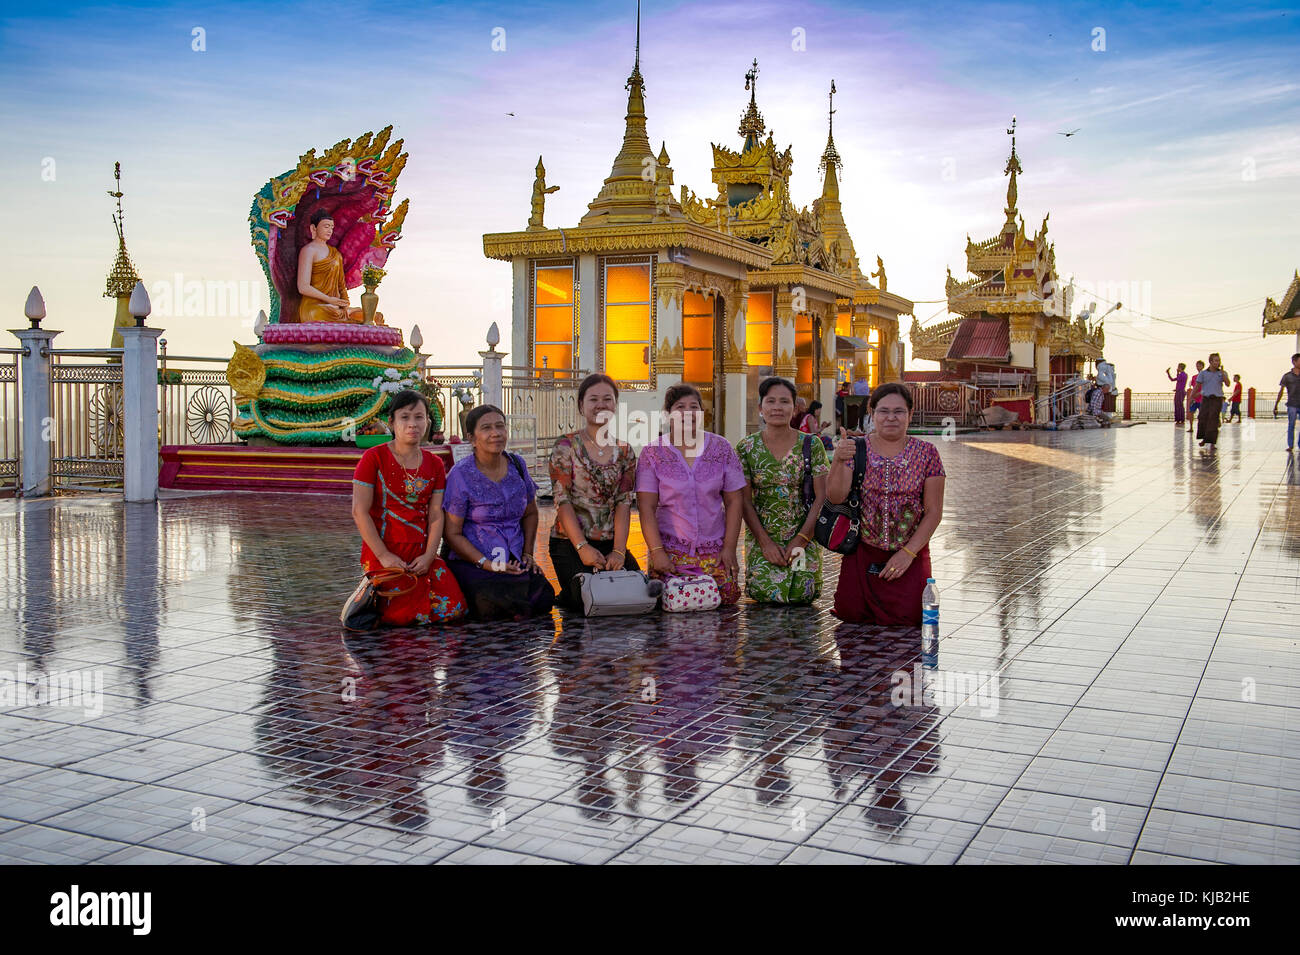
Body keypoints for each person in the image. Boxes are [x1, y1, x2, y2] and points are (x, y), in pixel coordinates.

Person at [828, 382, 946, 626]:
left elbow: (933, 512)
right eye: (883, 411)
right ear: (872, 414)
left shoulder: (927, 453)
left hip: (909, 557)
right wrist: (839, 460)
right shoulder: (857, 448)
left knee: (910, 619)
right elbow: (835, 497)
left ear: (910, 415)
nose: (891, 417)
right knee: (852, 617)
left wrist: (908, 554)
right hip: (862, 554)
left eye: (899, 411)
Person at [351, 390, 467, 625]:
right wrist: (383, 555)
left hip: (421, 553)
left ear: (427, 422)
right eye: (405, 417)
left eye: (419, 417)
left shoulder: (434, 464)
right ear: (391, 422)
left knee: (453, 609)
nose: (412, 424)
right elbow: (359, 511)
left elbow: (436, 514)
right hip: (384, 551)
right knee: (402, 616)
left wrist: (428, 556)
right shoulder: (373, 458)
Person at [636, 384, 746, 605]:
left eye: (694, 407)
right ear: (668, 415)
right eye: (680, 407)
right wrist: (657, 552)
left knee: (723, 599)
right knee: (672, 602)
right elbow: (645, 507)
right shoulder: (652, 453)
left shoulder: (721, 448)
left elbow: (734, 501)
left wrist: (729, 547)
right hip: (671, 553)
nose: (688, 413)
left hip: (714, 550)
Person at [443, 404, 556, 619]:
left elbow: (530, 512)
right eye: (486, 428)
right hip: (475, 560)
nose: (495, 433)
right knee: (493, 603)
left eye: (500, 426)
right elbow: (452, 533)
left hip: (512, 556)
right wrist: (488, 564)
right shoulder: (461, 475)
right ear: (472, 438)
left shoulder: (517, 464)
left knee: (543, 598)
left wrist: (528, 554)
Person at [548, 373, 640, 608]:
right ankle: (568, 594)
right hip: (569, 542)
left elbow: (623, 502)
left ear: (615, 405)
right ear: (581, 405)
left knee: (635, 595)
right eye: (593, 399)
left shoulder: (625, 451)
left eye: (607, 399)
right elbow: (563, 501)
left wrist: (619, 551)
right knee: (588, 599)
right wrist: (582, 547)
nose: (601, 405)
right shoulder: (566, 446)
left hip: (610, 543)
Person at [736, 377, 829, 604]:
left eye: (784, 402)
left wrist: (802, 539)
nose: (777, 407)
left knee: (803, 594)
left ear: (795, 407)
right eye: (771, 401)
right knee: (763, 592)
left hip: (804, 533)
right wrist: (765, 543)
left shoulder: (811, 444)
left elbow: (822, 497)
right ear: (760, 408)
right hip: (763, 538)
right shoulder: (747, 448)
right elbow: (744, 502)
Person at [296, 210, 373, 324]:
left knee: (372, 316)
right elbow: (303, 287)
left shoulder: (336, 254)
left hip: (336, 308)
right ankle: (351, 324)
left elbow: (341, 286)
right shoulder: (308, 251)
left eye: (331, 228)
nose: (329, 231)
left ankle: (350, 320)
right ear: (314, 228)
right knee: (323, 313)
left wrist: (345, 305)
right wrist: (329, 300)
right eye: (326, 226)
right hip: (315, 308)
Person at [1195, 353, 1230, 450]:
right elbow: (1197, 386)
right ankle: (1205, 438)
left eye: (1218, 360)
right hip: (1206, 399)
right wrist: (1192, 396)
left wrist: (1223, 374)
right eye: (1215, 360)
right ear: (1210, 362)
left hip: (1217, 399)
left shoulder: (1222, 373)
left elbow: (1228, 384)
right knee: (1202, 418)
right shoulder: (1203, 373)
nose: (1217, 362)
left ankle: (1212, 442)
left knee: (1213, 420)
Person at [1275, 353, 1300, 452]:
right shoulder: (1287, 376)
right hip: (1292, 404)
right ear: (1294, 362)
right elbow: (1281, 391)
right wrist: (1276, 404)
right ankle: (1290, 445)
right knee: (1291, 425)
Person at [1186, 359, 1205, 433]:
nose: (1198, 367)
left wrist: (1200, 393)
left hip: (1202, 398)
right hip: (1195, 399)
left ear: (1202, 366)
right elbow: (1193, 387)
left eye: (1199, 365)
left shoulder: (1204, 376)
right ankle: (1191, 427)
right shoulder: (1194, 377)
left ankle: (1202, 428)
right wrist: (1191, 397)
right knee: (1191, 412)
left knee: (1202, 415)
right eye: (1197, 365)